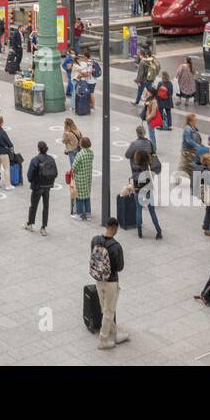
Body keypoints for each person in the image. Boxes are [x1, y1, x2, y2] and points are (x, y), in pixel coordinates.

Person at [89, 217, 128, 349]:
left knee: (104, 307)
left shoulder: (95, 240)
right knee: (109, 310)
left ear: (106, 226)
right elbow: (119, 267)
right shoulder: (116, 246)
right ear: (115, 229)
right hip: (111, 282)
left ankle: (113, 331)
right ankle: (103, 340)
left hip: (98, 279)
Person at [24, 141, 58, 235]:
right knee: (46, 206)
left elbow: (29, 176)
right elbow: (56, 173)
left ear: (38, 149)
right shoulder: (51, 159)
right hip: (47, 186)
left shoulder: (35, 160)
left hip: (37, 186)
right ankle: (43, 227)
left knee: (33, 206)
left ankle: (30, 224)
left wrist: (33, 181)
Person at [129, 149, 162, 240]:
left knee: (138, 210)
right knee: (152, 212)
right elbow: (156, 165)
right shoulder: (148, 167)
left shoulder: (134, 166)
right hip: (148, 192)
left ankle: (139, 231)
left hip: (138, 191)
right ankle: (158, 231)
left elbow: (130, 156)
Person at [71, 136, 94, 220]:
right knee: (87, 196)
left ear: (81, 144)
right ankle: (88, 214)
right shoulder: (91, 153)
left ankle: (79, 214)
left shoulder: (80, 154)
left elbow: (74, 166)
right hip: (88, 177)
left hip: (80, 178)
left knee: (79, 197)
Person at [0, 116, 16, 191]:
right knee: (6, 168)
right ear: (1, 123)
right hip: (3, 153)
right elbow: (9, 143)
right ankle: (8, 185)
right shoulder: (2, 132)